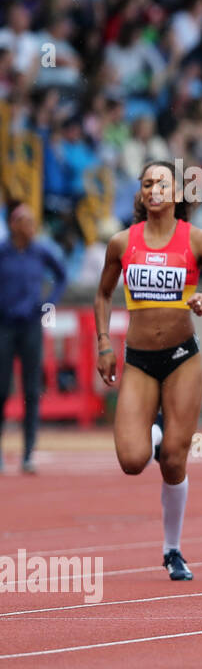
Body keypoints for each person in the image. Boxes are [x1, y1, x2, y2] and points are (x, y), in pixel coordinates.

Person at [94, 161, 202, 580]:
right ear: (141, 195)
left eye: (163, 182)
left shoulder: (198, 241)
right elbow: (103, 294)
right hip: (139, 361)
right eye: (147, 183)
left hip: (182, 360)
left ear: (176, 193)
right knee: (131, 459)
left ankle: (172, 549)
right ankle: (156, 431)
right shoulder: (122, 243)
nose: (155, 189)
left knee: (175, 461)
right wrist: (103, 342)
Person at [0, 203, 68, 473]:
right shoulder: (3, 252)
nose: (31, 229)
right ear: (15, 225)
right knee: (1, 390)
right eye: (26, 223)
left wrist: (48, 303)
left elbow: (61, 277)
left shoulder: (41, 252)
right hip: (4, 326)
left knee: (31, 390)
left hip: (30, 325)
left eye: (33, 223)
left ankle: (28, 453)